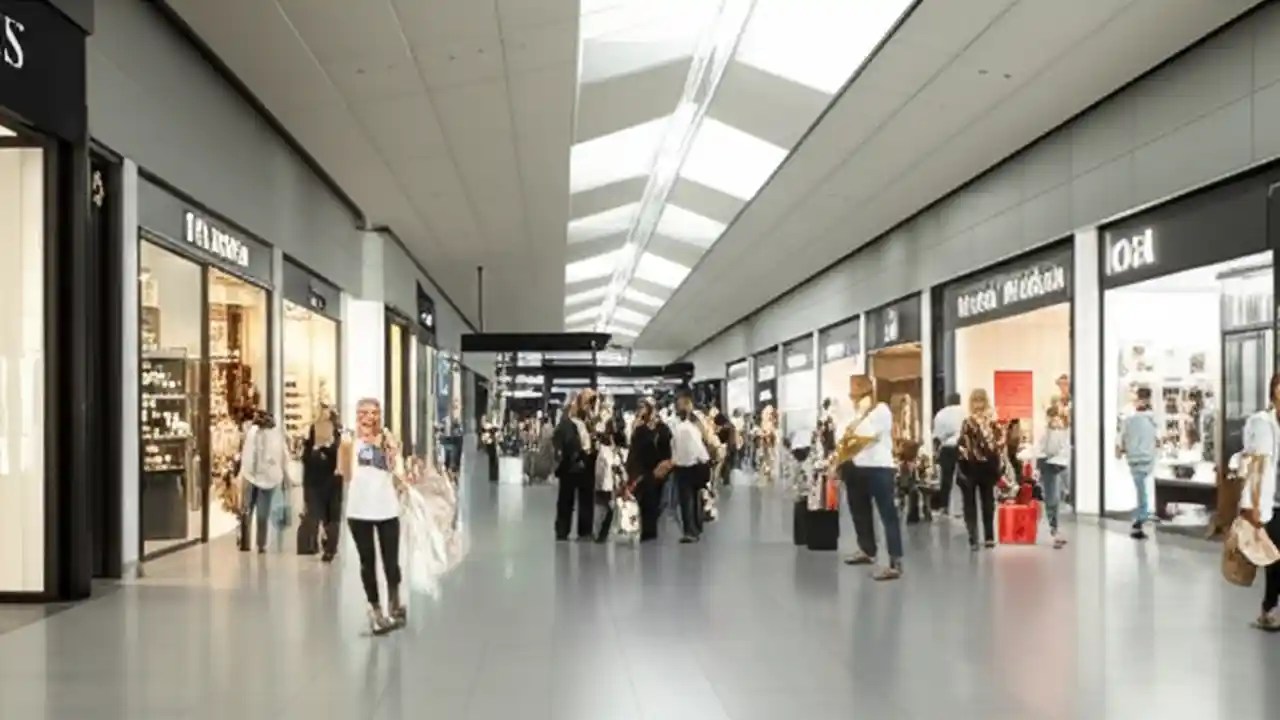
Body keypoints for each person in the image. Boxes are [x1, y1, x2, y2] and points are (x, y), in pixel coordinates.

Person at [337, 398, 408, 636]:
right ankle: (375, 609)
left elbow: (396, 470)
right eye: (363, 413)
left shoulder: (388, 439)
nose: (369, 418)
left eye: (374, 413)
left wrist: (389, 448)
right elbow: (346, 475)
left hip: (387, 509)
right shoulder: (350, 442)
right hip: (359, 511)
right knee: (367, 562)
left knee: (391, 562)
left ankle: (395, 604)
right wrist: (345, 449)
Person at [840, 374, 904, 580]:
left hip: (879, 468)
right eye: (853, 395)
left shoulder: (881, 410)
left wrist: (850, 437)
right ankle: (867, 549)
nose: (855, 399)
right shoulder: (854, 415)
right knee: (859, 511)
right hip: (856, 467)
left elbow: (863, 437)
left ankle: (895, 561)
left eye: (858, 393)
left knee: (888, 514)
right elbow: (844, 437)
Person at [1241, 373, 1280, 631]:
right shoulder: (1261, 422)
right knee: (1275, 558)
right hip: (1272, 502)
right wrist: (1251, 504)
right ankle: (1268, 609)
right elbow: (1253, 463)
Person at [238, 410, 291, 554]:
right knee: (247, 510)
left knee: (260, 513)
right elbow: (246, 453)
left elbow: (282, 456)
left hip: (266, 478)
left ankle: (260, 544)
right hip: (250, 475)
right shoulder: (252, 433)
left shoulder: (275, 436)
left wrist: (284, 476)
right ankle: (246, 542)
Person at [957, 389, 1002, 552]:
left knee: (988, 502)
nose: (978, 405)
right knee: (969, 503)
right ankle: (973, 537)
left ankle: (989, 536)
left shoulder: (992, 423)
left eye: (981, 401)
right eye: (975, 401)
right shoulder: (967, 423)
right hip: (970, 467)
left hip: (988, 467)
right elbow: (963, 445)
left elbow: (998, 444)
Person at [554, 390, 596, 541]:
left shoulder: (590, 422)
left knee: (586, 498)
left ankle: (585, 530)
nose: (588, 406)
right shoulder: (567, 421)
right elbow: (564, 440)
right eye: (586, 402)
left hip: (587, 462)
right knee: (566, 498)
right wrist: (574, 455)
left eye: (591, 403)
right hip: (570, 465)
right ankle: (562, 530)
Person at [301, 406, 342, 562]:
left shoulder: (337, 437)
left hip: (328, 483)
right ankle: (327, 545)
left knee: (330, 517)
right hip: (320, 483)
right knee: (324, 516)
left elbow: (341, 460)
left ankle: (329, 547)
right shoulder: (315, 437)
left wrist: (324, 449)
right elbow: (306, 459)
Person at [628, 398, 672, 542]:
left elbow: (668, 449)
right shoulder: (639, 430)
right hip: (643, 471)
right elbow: (634, 451)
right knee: (646, 500)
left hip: (660, 469)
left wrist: (666, 465)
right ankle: (647, 531)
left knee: (658, 502)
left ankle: (651, 529)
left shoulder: (663, 429)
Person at [1118, 387, 1158, 540]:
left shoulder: (1129, 419)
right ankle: (1140, 519)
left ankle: (1140, 518)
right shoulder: (1152, 420)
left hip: (1134, 458)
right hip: (1146, 459)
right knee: (1143, 491)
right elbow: (1157, 439)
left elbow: (1122, 439)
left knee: (1141, 490)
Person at [672, 390, 711, 543]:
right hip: (697, 465)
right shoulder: (697, 424)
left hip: (685, 467)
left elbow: (677, 447)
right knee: (695, 498)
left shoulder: (682, 427)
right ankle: (696, 527)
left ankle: (690, 531)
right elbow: (702, 445)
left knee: (686, 500)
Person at [1038, 402, 1071, 549]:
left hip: (1058, 464)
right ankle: (1053, 531)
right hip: (1048, 465)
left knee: (1057, 498)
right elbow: (1044, 449)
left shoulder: (1061, 431)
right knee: (1052, 498)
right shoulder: (1046, 432)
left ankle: (1055, 529)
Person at [931, 393, 964, 515]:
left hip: (947, 447)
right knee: (963, 479)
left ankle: (944, 506)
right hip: (962, 447)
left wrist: (935, 453)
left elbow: (937, 436)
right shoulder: (965, 412)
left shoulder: (941, 414)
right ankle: (962, 507)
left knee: (946, 479)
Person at [594, 432, 623, 543]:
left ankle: (599, 533)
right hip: (607, 486)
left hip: (602, 485)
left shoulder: (602, 453)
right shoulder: (608, 453)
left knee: (601, 509)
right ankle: (602, 533)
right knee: (608, 509)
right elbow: (614, 466)